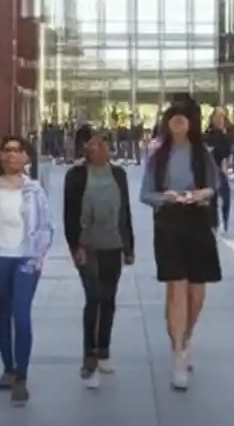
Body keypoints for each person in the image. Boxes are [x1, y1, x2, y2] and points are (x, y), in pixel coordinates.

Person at [0, 136, 54, 406]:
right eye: (7, 150)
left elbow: (46, 227)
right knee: (2, 313)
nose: (12, 155)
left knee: (21, 315)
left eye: (17, 151)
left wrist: (36, 256)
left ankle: (22, 377)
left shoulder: (34, 190)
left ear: (26, 157)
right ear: (0, 156)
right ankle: (8, 368)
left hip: (25, 260)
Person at [140, 99, 222, 391]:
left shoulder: (202, 153)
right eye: (173, 117)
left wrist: (201, 194)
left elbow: (215, 186)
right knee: (176, 287)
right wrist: (166, 197)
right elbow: (145, 194)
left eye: (183, 117)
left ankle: (185, 339)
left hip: (198, 221)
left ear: (191, 123)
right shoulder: (158, 155)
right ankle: (177, 352)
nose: (178, 121)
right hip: (169, 223)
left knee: (196, 294)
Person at [63, 131, 135, 390]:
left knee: (108, 298)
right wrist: (75, 246)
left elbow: (125, 212)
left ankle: (104, 349)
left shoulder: (119, 174)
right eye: (91, 143)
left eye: (102, 142)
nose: (97, 147)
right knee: (93, 297)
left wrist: (129, 247)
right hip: (87, 245)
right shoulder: (76, 176)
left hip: (113, 244)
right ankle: (90, 359)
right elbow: (69, 214)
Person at [204, 107, 234, 233]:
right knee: (212, 197)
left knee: (225, 197)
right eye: (217, 117)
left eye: (222, 117)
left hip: (221, 168)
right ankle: (214, 223)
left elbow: (229, 151)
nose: (219, 120)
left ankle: (224, 220)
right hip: (210, 169)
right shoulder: (207, 134)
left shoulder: (227, 135)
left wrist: (227, 162)